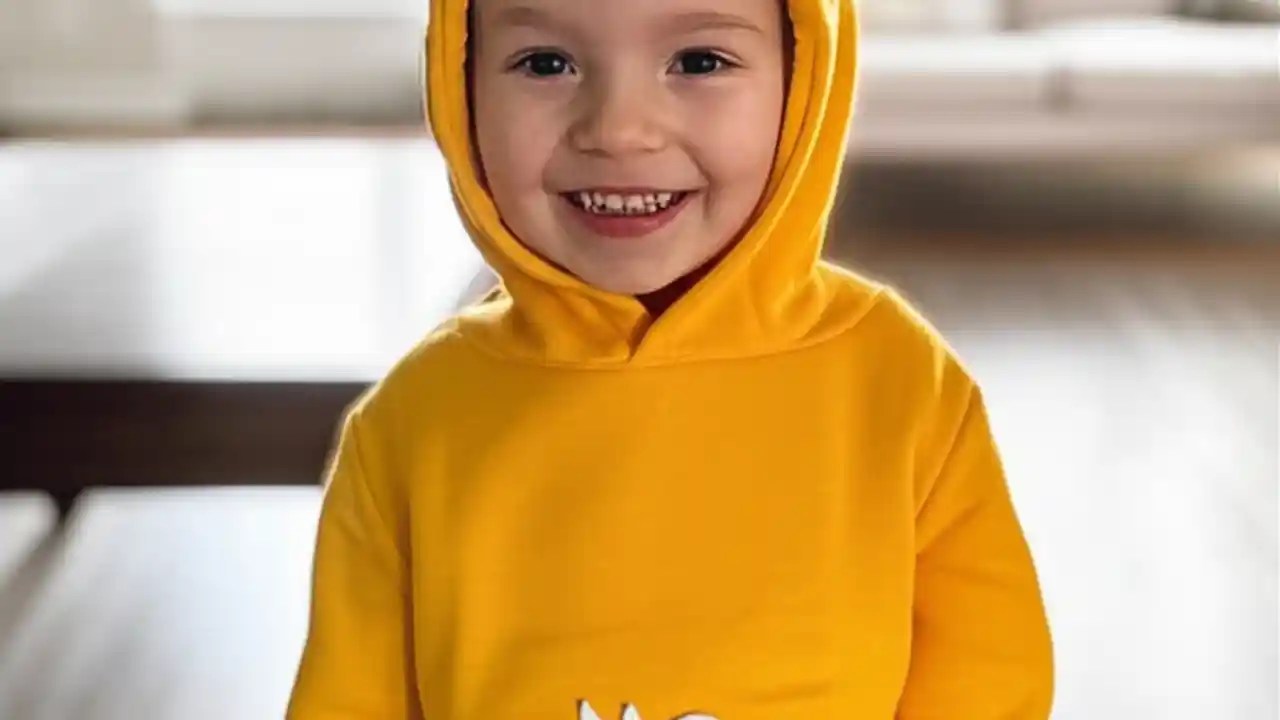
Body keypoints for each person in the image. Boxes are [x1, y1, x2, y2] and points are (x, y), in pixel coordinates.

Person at [287, 0, 1055, 717]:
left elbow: (989, 684)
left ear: (805, 72)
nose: (619, 130)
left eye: (699, 61)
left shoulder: (901, 383)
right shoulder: (413, 422)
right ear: (457, 83)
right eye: (546, 64)